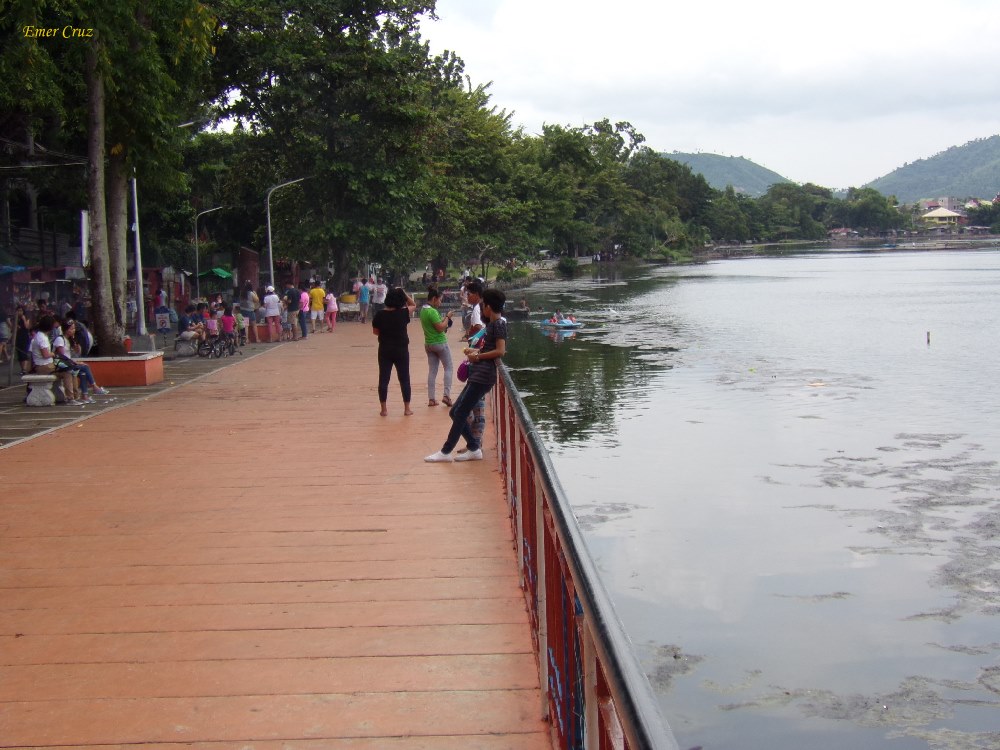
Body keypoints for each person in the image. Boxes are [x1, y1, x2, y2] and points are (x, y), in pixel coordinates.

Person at [425, 288, 507, 463]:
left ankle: (446, 451)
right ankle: (474, 447)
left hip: (484, 376)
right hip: (478, 373)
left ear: (489, 307)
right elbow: (490, 348)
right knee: (455, 411)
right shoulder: (492, 325)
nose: (482, 308)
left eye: (484, 305)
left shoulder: (499, 324)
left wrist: (478, 356)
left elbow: (500, 351)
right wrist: (476, 351)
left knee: (460, 412)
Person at [371, 286, 416, 417]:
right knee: (404, 378)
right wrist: (403, 292)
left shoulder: (379, 314)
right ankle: (407, 408)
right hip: (401, 349)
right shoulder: (403, 312)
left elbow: (375, 332)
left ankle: (384, 409)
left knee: (384, 379)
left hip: (385, 350)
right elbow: (413, 304)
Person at [420, 287, 454, 407]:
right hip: (439, 343)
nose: (440, 302)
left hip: (429, 344)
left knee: (432, 371)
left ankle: (431, 398)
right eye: (439, 300)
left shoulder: (423, 311)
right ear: (434, 299)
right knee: (448, 367)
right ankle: (446, 395)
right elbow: (440, 328)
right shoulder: (432, 312)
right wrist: (448, 317)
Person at [15, 306, 33, 373]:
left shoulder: (26, 317)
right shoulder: (16, 319)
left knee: (24, 352)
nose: (19, 312)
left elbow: (27, 326)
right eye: (18, 310)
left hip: (24, 336)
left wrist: (24, 319)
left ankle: (24, 369)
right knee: (19, 353)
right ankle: (22, 369)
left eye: (21, 310)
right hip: (18, 337)